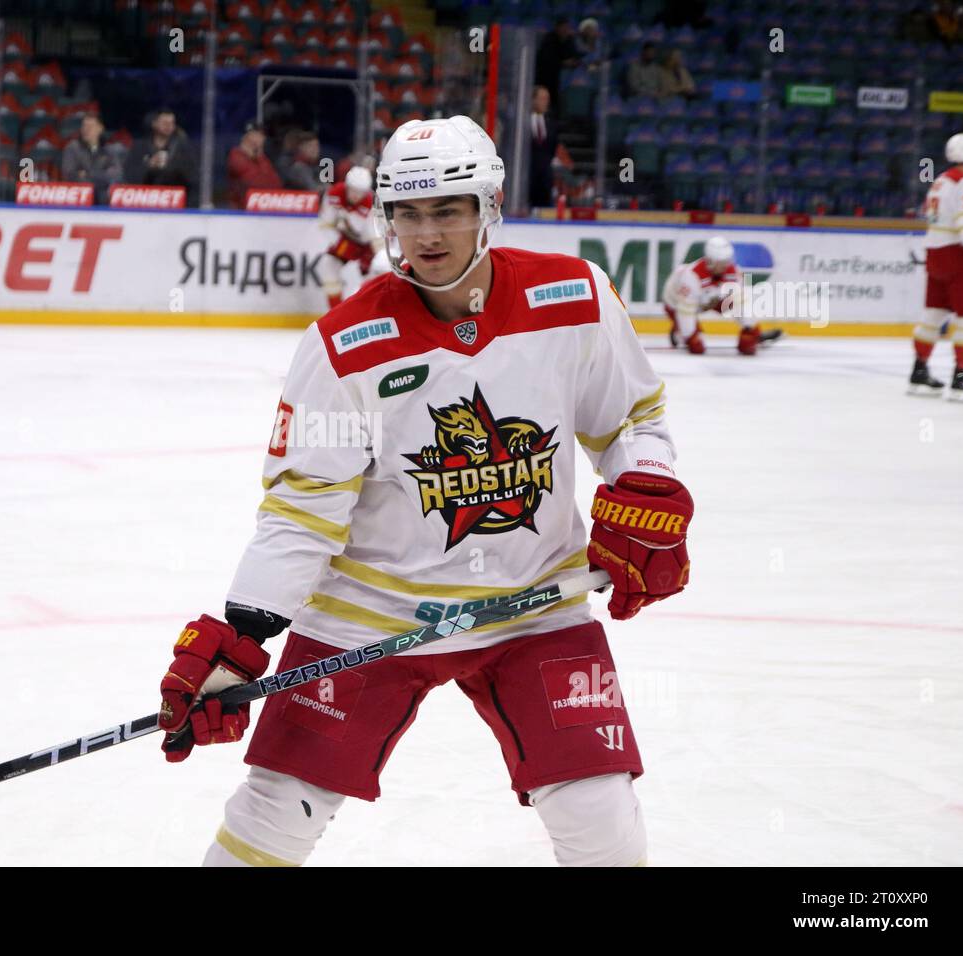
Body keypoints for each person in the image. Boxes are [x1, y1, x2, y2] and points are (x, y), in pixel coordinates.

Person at [156, 115, 695, 867]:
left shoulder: (576, 298)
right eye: (408, 214)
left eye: (446, 211)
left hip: (535, 606)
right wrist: (245, 635)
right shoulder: (344, 347)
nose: (426, 234)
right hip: (371, 613)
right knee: (279, 808)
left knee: (600, 818)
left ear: (489, 208)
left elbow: (632, 418)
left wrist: (649, 484)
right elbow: (301, 512)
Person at [911, 132, 963, 398]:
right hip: (956, 253)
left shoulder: (939, 181)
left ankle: (919, 369)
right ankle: (960, 375)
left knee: (933, 314)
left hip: (934, 251)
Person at [662, 236, 780, 354]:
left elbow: (743, 303)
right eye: (720, 262)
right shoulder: (691, 277)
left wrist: (750, 328)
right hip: (677, 303)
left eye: (727, 261)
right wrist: (691, 337)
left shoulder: (733, 271)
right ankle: (678, 333)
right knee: (695, 345)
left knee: (747, 334)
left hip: (711, 297)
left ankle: (757, 334)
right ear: (710, 261)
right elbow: (685, 311)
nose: (725, 266)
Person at [317, 165, 381, 309]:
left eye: (360, 192)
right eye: (352, 189)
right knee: (327, 266)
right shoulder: (334, 194)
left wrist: (379, 257)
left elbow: (377, 237)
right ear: (346, 185)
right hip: (345, 241)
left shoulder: (373, 204)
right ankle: (334, 313)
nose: (355, 195)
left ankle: (370, 313)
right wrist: (337, 242)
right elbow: (326, 224)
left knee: (374, 279)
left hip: (368, 246)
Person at [125, 108, 199, 205]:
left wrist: (172, 166)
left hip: (176, 202)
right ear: (154, 124)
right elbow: (129, 176)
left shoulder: (183, 148)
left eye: (172, 123)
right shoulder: (139, 147)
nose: (169, 126)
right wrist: (149, 165)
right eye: (165, 122)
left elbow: (193, 178)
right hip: (144, 202)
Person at [60, 113, 126, 205]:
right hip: (79, 197)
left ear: (100, 129)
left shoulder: (109, 150)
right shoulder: (73, 148)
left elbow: (116, 174)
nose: (86, 129)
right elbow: (69, 174)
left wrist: (88, 174)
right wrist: (101, 175)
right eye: (84, 126)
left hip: (103, 198)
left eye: (90, 126)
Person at [226, 120, 282, 208]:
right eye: (257, 134)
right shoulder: (236, 156)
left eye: (262, 135)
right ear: (246, 137)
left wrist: (260, 157)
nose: (262, 138)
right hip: (240, 211)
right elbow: (257, 184)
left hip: (262, 208)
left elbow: (276, 184)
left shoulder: (261, 158)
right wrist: (260, 158)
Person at [534, 18, 583, 106]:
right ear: (557, 28)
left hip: (562, 75)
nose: (565, 30)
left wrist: (573, 62)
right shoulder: (549, 39)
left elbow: (575, 56)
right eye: (563, 28)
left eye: (567, 28)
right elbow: (546, 60)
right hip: (546, 75)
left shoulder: (569, 40)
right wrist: (563, 63)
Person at [527, 85, 559, 209]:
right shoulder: (522, 121)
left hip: (545, 176)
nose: (546, 102)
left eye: (547, 99)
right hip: (528, 175)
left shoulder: (551, 121)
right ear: (533, 100)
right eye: (542, 98)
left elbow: (552, 147)